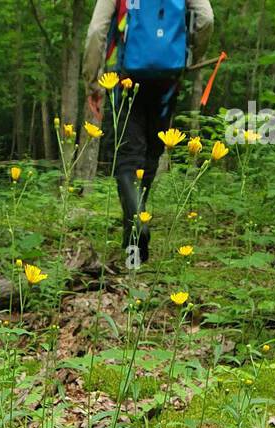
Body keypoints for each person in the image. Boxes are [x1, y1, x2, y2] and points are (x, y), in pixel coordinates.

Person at [84, 0, 214, 264]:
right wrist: (190, 57)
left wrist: (92, 81)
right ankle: (135, 248)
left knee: (126, 159)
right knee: (150, 156)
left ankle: (138, 225)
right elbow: (206, 18)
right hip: (168, 80)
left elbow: (97, 30)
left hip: (127, 77)